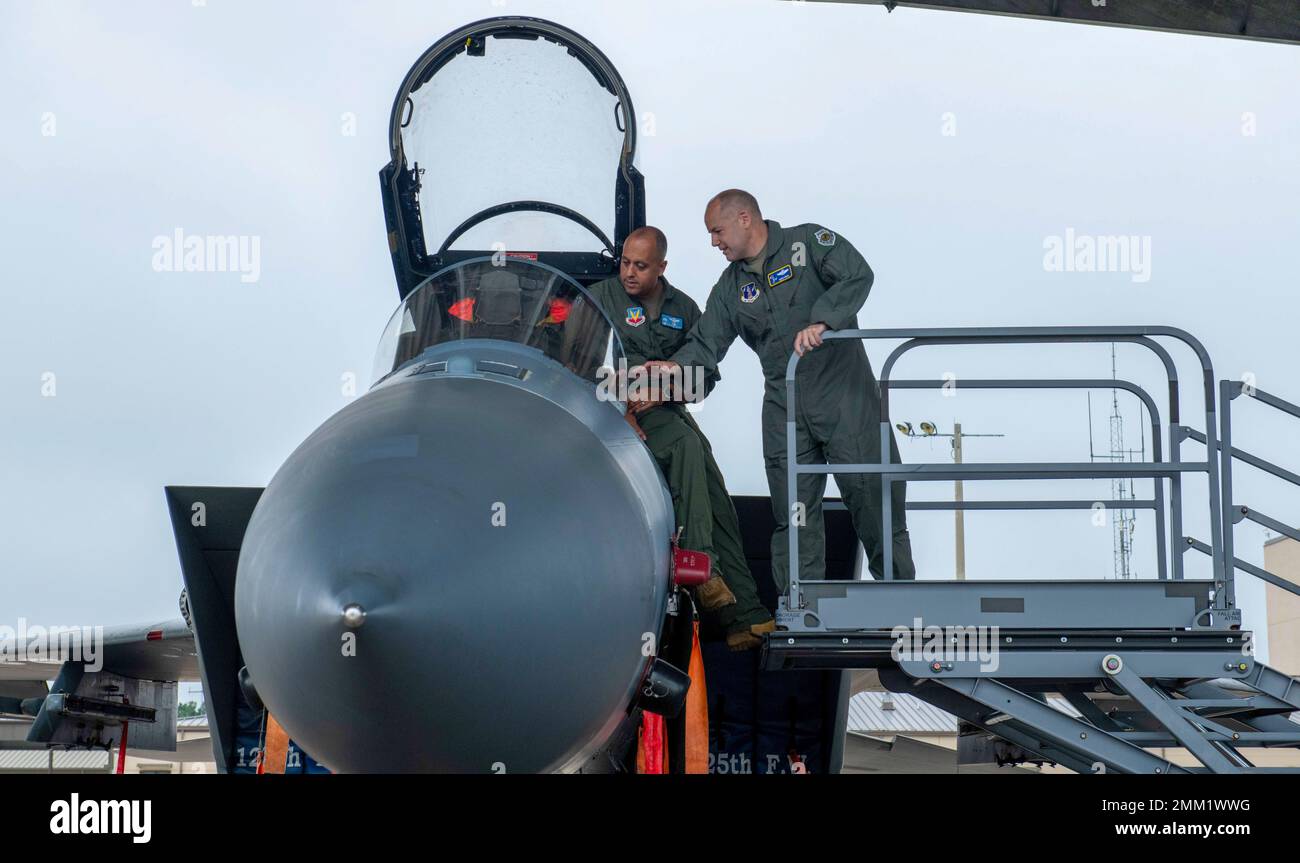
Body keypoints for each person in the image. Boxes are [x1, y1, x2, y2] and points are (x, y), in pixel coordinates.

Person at [647, 190, 916, 594]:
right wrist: (675, 367)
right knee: (794, 516)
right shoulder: (730, 287)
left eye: (717, 231)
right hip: (784, 407)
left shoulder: (806, 243)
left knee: (873, 501)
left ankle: (901, 602)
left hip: (845, 398)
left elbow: (857, 273)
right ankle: (802, 608)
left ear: (744, 218)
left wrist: (824, 321)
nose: (713, 242)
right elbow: (706, 342)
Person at [585, 226, 775, 650]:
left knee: (715, 492)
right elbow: (577, 365)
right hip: (613, 413)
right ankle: (698, 562)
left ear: (661, 267)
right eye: (625, 263)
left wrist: (667, 386)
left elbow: (705, 376)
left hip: (668, 411)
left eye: (640, 265)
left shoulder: (684, 308)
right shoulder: (598, 301)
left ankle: (746, 616)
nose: (629, 273)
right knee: (687, 448)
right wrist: (625, 409)